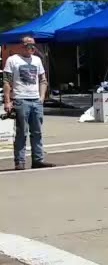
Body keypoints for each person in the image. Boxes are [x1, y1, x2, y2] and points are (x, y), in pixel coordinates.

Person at [4, 36, 54, 169]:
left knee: (37, 132)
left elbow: (43, 79)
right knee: (22, 132)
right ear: (22, 46)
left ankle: (38, 159)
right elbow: (7, 82)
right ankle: (19, 161)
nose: (31, 48)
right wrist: (7, 101)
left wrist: (42, 97)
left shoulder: (37, 60)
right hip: (21, 99)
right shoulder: (13, 60)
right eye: (28, 45)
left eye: (33, 46)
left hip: (35, 99)